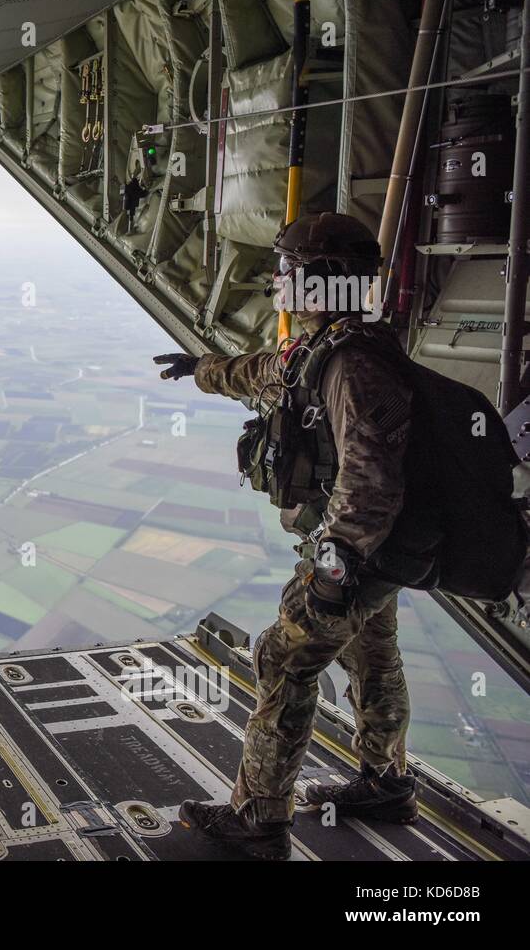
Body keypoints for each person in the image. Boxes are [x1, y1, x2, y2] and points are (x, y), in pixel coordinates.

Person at [153, 212, 419, 860]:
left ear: (322, 281)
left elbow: (374, 480)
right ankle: (387, 780)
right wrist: (200, 368)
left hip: (349, 553)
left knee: (282, 655)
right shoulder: (327, 349)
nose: (279, 283)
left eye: (289, 272)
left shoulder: (353, 364)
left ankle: (260, 815)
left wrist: (334, 571)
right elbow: (262, 372)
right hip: (367, 556)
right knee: (373, 656)